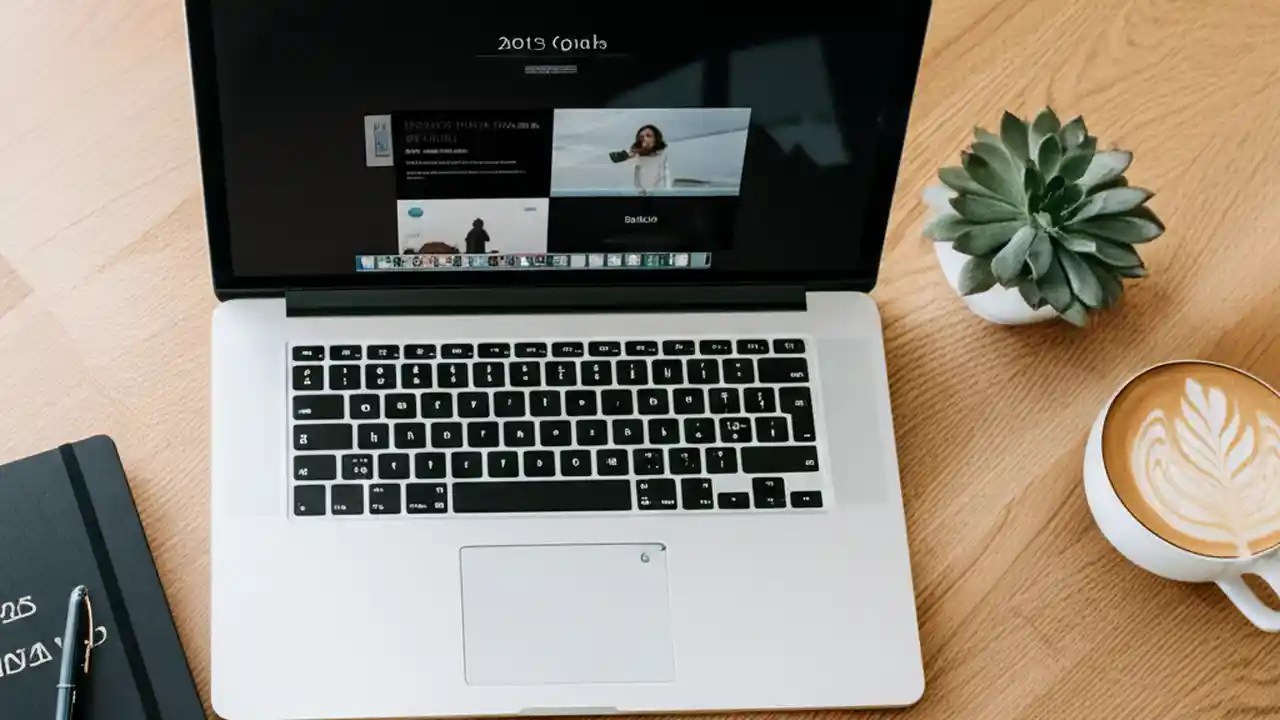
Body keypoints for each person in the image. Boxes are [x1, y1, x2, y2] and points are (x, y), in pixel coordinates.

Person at [627, 124, 671, 194]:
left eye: (648, 136)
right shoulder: (635, 159)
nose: (644, 138)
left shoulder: (663, 157)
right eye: (641, 137)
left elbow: (666, 182)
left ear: (655, 139)